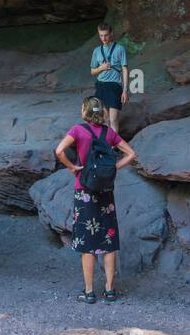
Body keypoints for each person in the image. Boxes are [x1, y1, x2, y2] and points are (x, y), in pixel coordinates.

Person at [53, 96, 137, 303]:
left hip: (84, 191)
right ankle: (109, 290)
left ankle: (89, 292)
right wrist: (114, 167)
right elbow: (131, 154)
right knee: (108, 240)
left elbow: (59, 151)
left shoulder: (78, 131)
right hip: (105, 191)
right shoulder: (109, 133)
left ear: (85, 111)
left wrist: (73, 167)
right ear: (102, 112)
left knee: (86, 243)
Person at [88, 22, 129, 134]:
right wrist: (101, 68)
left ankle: (113, 147)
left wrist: (125, 90)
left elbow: (125, 69)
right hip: (101, 85)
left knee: (114, 120)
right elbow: (92, 71)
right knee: (105, 120)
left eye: (106, 35)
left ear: (111, 34)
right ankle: (108, 146)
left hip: (114, 86)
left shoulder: (120, 49)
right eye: (101, 35)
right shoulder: (97, 51)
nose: (103, 38)